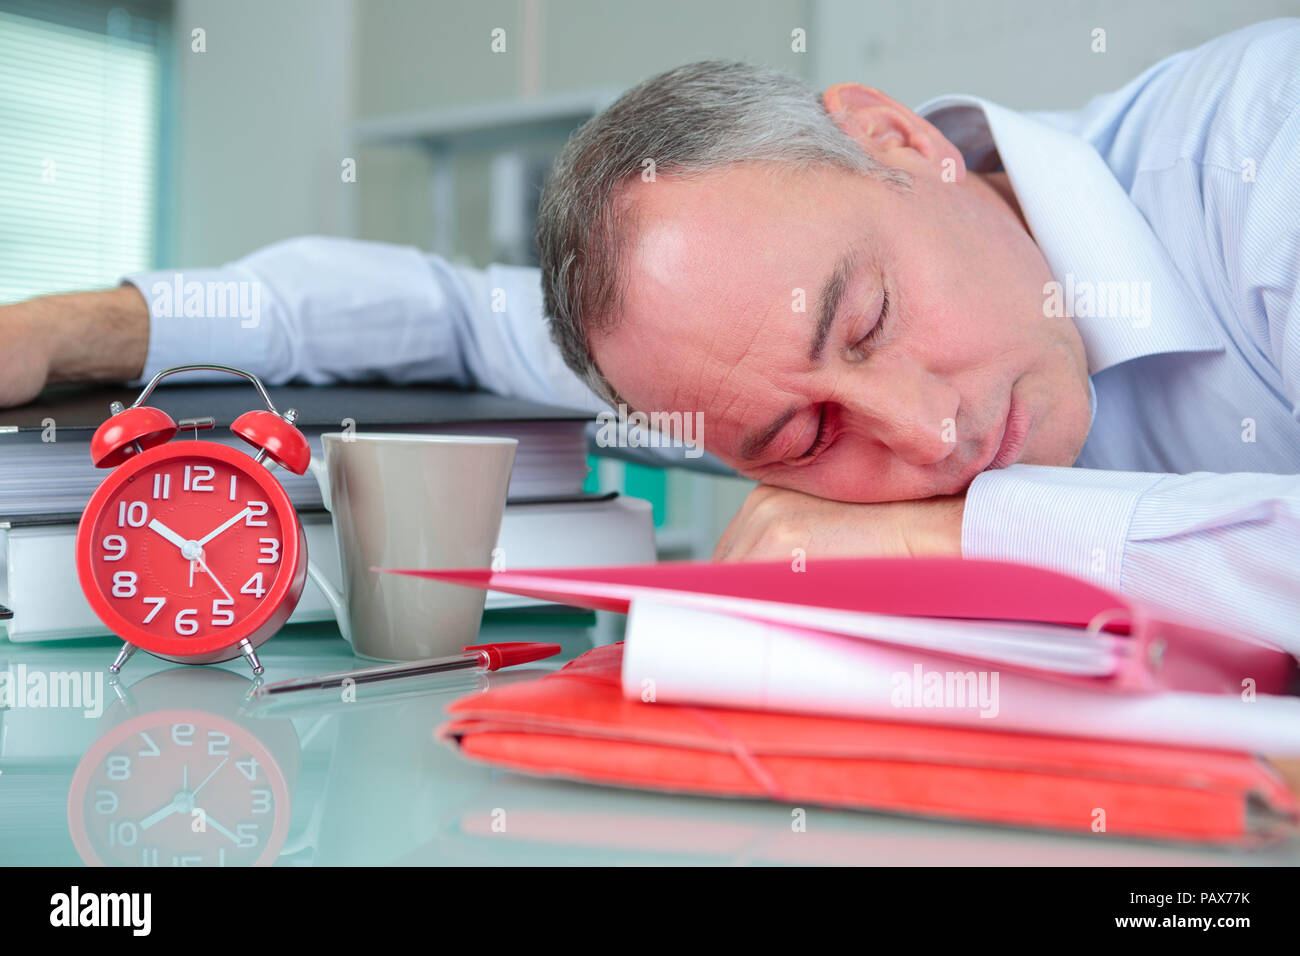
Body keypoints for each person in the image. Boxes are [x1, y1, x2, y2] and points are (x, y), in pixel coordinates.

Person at [3, 20, 1297, 648]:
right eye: (800, 435)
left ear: (901, 144)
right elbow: (451, 314)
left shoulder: (1260, 153)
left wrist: (954, 534)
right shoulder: (707, 378)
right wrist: (70, 331)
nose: (928, 430)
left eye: (869, 317)